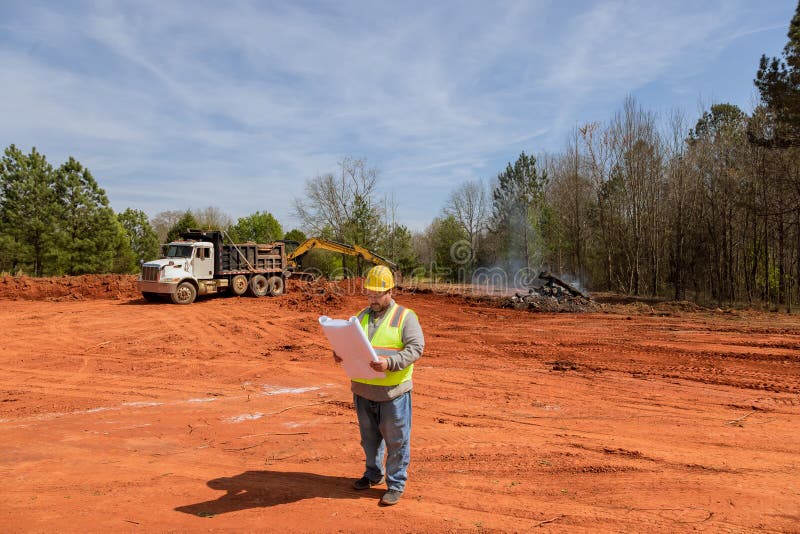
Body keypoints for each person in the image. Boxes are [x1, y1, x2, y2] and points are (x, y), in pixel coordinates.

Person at [333, 265, 424, 506]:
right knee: (369, 439)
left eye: (377, 294)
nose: (371, 299)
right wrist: (340, 353)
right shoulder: (360, 317)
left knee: (397, 440)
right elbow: (352, 345)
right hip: (363, 391)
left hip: (393, 393)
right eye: (368, 294)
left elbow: (416, 349)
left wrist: (391, 362)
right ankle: (373, 474)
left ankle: (396, 484)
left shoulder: (406, 317)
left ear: (390, 292)